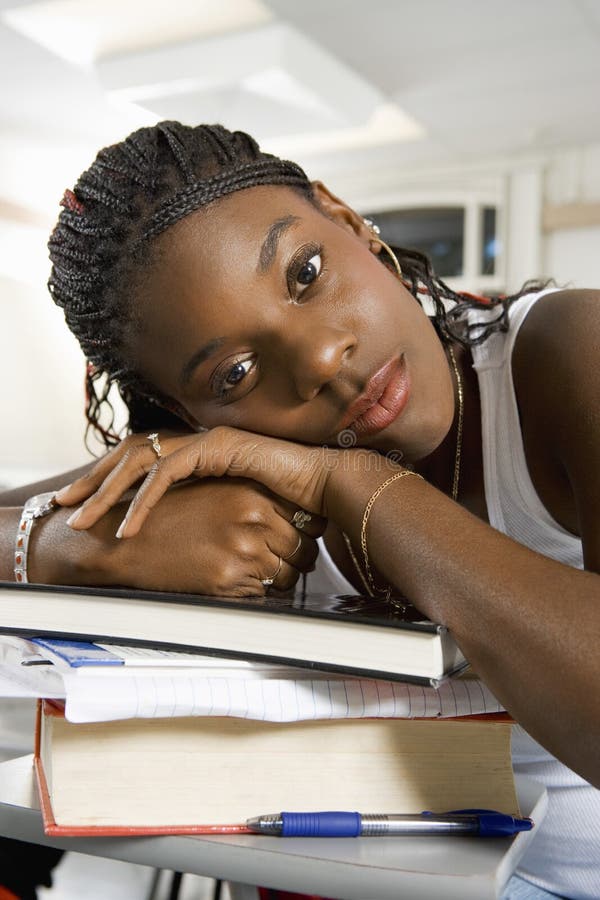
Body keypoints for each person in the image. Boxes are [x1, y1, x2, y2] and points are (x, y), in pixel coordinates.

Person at [0, 122, 598, 900]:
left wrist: (349, 489)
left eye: (306, 271)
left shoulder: (567, 351)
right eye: (236, 371)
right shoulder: (217, 457)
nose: (318, 359)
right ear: (185, 417)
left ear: (347, 220)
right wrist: (77, 547)